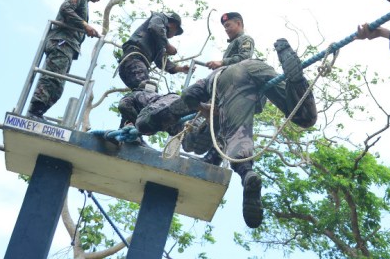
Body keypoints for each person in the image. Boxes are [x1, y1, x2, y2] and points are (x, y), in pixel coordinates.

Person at [118, 41, 317, 229]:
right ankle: (297, 81)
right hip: (257, 68)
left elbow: (187, 96)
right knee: (304, 117)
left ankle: (246, 172)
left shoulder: (148, 97)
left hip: (225, 80)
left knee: (224, 133)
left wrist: (202, 110)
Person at [27, 0, 108, 119]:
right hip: (61, 42)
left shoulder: (85, 1)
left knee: (58, 85)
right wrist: (84, 25)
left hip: (68, 47)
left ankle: (39, 113)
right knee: (51, 78)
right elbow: (65, 8)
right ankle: (34, 111)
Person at [118, 11, 193, 93]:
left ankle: (127, 103)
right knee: (150, 91)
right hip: (134, 60)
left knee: (140, 93)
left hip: (132, 66)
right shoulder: (160, 17)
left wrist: (180, 69)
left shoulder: (159, 43)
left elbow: (161, 61)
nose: (173, 35)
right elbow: (155, 27)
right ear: (174, 25)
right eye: (175, 33)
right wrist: (168, 46)